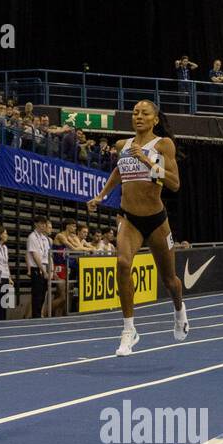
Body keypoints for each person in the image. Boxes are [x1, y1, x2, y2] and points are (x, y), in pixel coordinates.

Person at [86, 100, 188, 356]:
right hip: (129, 218)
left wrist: (148, 162)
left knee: (170, 281)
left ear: (155, 119)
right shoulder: (123, 145)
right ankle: (129, 330)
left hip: (156, 220)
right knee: (122, 264)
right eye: (135, 113)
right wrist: (101, 196)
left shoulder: (163, 144)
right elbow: (118, 173)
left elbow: (175, 184)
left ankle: (179, 312)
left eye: (145, 113)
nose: (138, 116)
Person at [26, 215, 52, 318]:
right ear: (36, 224)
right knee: (37, 294)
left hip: (45, 266)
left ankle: (39, 313)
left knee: (43, 293)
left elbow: (48, 255)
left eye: (44, 224)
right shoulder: (32, 237)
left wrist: (49, 269)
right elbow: (35, 255)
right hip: (37, 268)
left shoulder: (45, 238)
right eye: (41, 223)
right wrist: (43, 270)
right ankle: (35, 315)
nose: (43, 226)